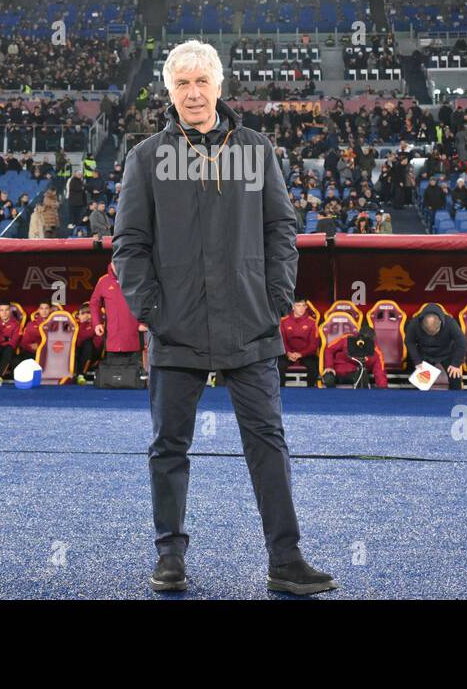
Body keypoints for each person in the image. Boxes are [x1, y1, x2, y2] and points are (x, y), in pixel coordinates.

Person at [113, 39, 334, 596]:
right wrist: (153, 310)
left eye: (200, 81)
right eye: (181, 83)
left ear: (219, 86)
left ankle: (285, 560)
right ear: (169, 91)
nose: (192, 92)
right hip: (176, 327)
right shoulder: (145, 158)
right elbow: (129, 246)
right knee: (168, 445)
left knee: (268, 443)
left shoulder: (256, 151)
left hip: (250, 324)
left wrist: (276, 299)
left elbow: (282, 230)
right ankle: (170, 557)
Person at [88, 261, 144, 380]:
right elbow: (94, 304)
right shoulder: (103, 281)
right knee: (114, 376)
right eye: (116, 262)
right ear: (111, 264)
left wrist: (142, 322)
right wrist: (97, 323)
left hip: (133, 335)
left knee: (133, 374)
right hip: (112, 335)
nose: (119, 266)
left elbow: (144, 301)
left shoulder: (135, 279)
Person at [405, 303, 466, 390]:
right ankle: (420, 402)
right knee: (420, 383)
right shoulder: (414, 323)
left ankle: (455, 400)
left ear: (441, 322)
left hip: (446, 353)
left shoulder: (450, 322)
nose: (431, 336)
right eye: (428, 333)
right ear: (422, 323)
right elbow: (409, 341)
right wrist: (417, 361)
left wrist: (456, 364)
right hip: (425, 353)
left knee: (455, 377)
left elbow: (461, 342)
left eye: (434, 333)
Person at [278, 299, 319, 386]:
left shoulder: (312, 322)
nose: (301, 308)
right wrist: (288, 353)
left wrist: (300, 354)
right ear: (293, 307)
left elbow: (314, 344)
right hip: (288, 353)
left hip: (306, 354)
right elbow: (282, 340)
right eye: (298, 305)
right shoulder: (284, 321)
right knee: (279, 365)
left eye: (303, 306)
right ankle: (281, 391)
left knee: (313, 365)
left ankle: (310, 392)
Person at [0, 303, 23, 379]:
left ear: (10, 311)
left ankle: (0, 377)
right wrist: (4, 339)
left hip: (7, 352)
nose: (4, 313)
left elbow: (14, 342)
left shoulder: (16, 324)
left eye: (6, 310)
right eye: (1, 310)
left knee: (10, 351)